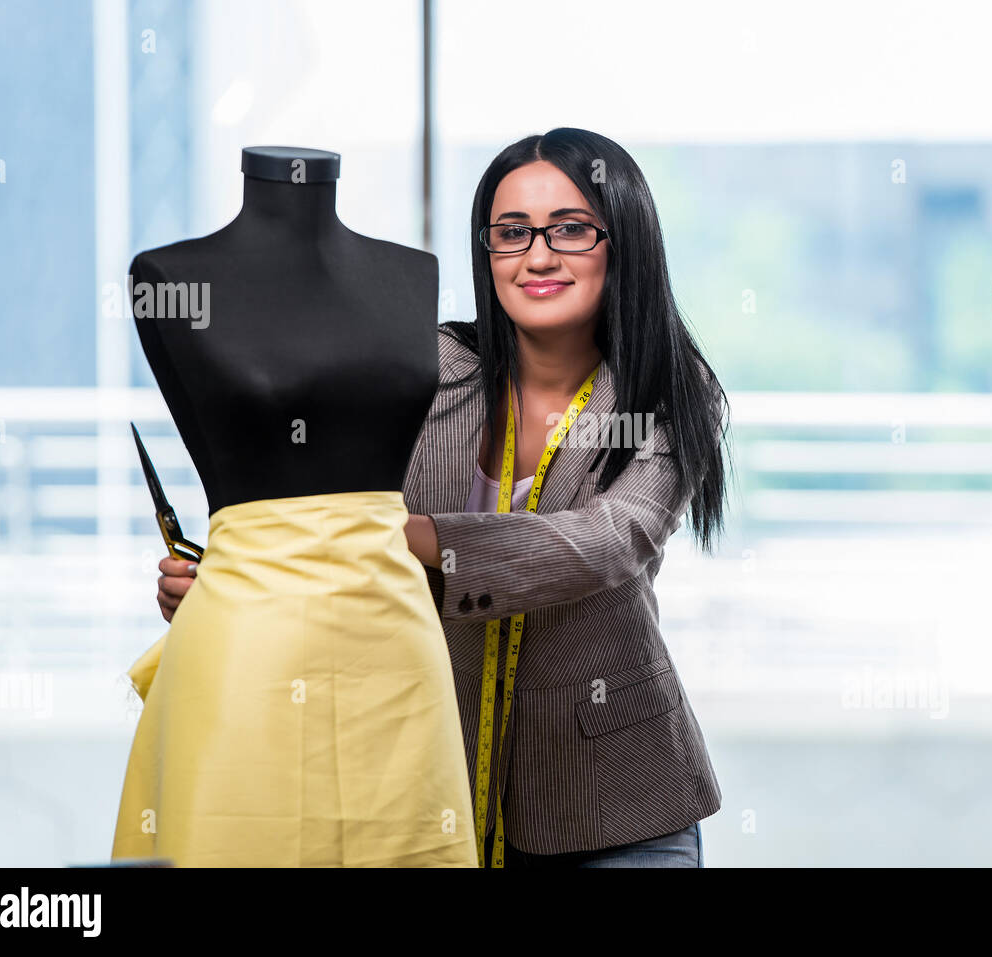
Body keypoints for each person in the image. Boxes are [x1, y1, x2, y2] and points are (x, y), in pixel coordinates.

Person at [157, 127, 732, 867]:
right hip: (429, 783)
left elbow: (612, 539)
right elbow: (331, 522)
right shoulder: (422, 370)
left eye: (571, 229)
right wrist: (233, 585)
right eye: (511, 232)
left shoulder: (670, 391)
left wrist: (422, 537)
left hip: (616, 803)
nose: (538, 255)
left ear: (623, 241)